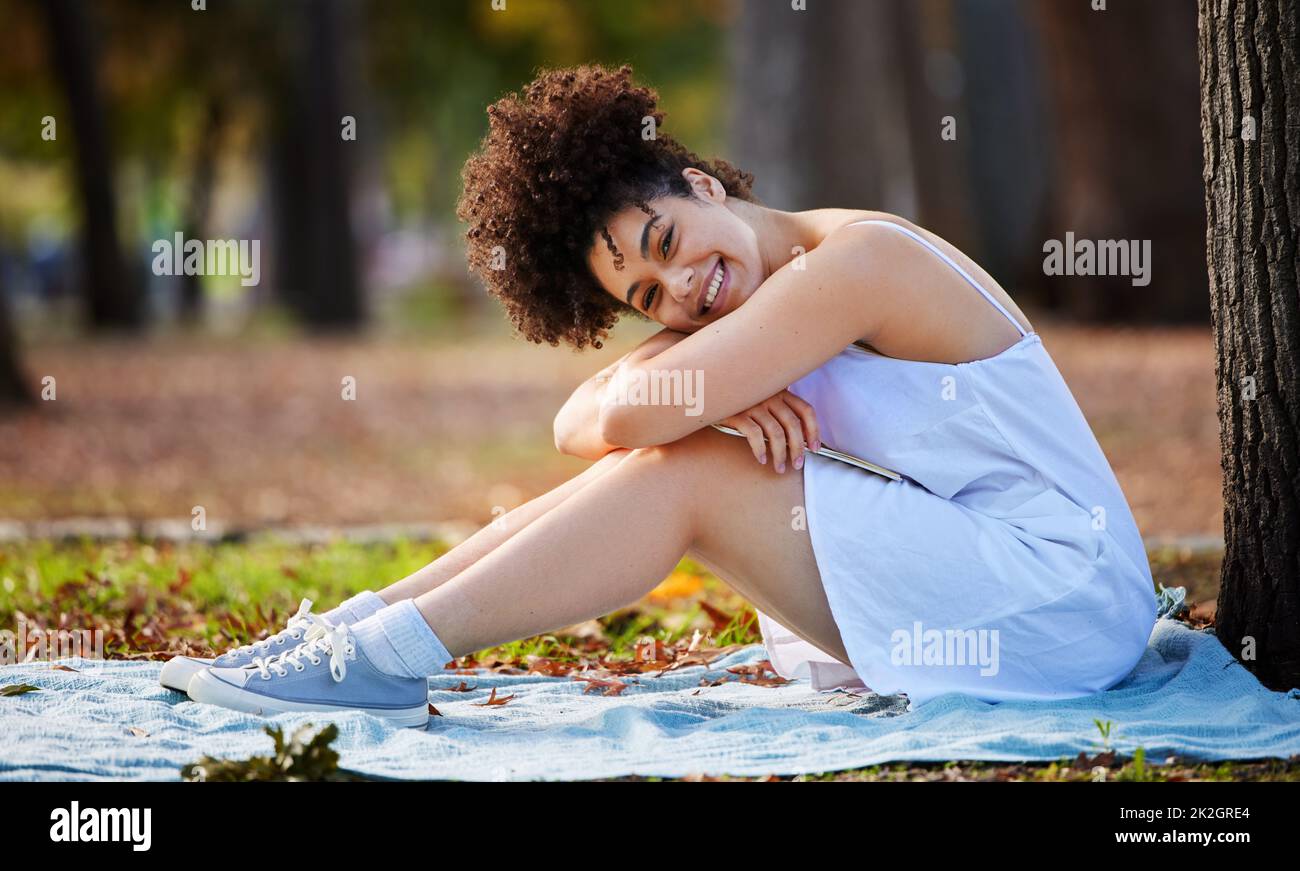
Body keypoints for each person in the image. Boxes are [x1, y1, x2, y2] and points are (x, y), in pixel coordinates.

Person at [169, 65, 1157, 727]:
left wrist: (694, 402)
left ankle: (383, 658)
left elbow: (630, 416)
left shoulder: (860, 261)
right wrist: (704, 397)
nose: (679, 289)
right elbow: (579, 423)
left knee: (691, 470)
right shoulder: (743, 311)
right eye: (646, 295)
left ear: (702, 184)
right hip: (997, 580)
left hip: (1059, 595)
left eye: (665, 242)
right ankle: (354, 631)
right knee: (683, 451)